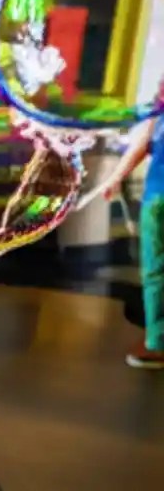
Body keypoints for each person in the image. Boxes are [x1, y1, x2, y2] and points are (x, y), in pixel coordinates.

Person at [99, 116, 162, 369]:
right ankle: (158, 342)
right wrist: (115, 177)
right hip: (158, 200)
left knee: (156, 272)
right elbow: (142, 144)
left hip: (157, 199)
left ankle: (158, 342)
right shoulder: (159, 111)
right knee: (155, 271)